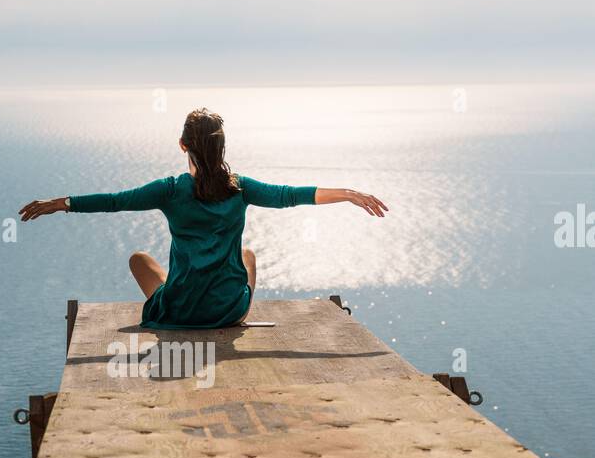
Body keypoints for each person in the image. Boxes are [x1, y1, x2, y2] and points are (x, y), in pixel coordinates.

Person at [19, 107, 388, 330]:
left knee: (139, 260)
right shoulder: (240, 188)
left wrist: (61, 203)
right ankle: (229, 304)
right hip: (229, 312)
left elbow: (116, 201)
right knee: (248, 256)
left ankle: (184, 294)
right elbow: (291, 195)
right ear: (222, 148)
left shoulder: (170, 189)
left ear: (183, 145)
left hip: (179, 310)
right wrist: (348, 194)